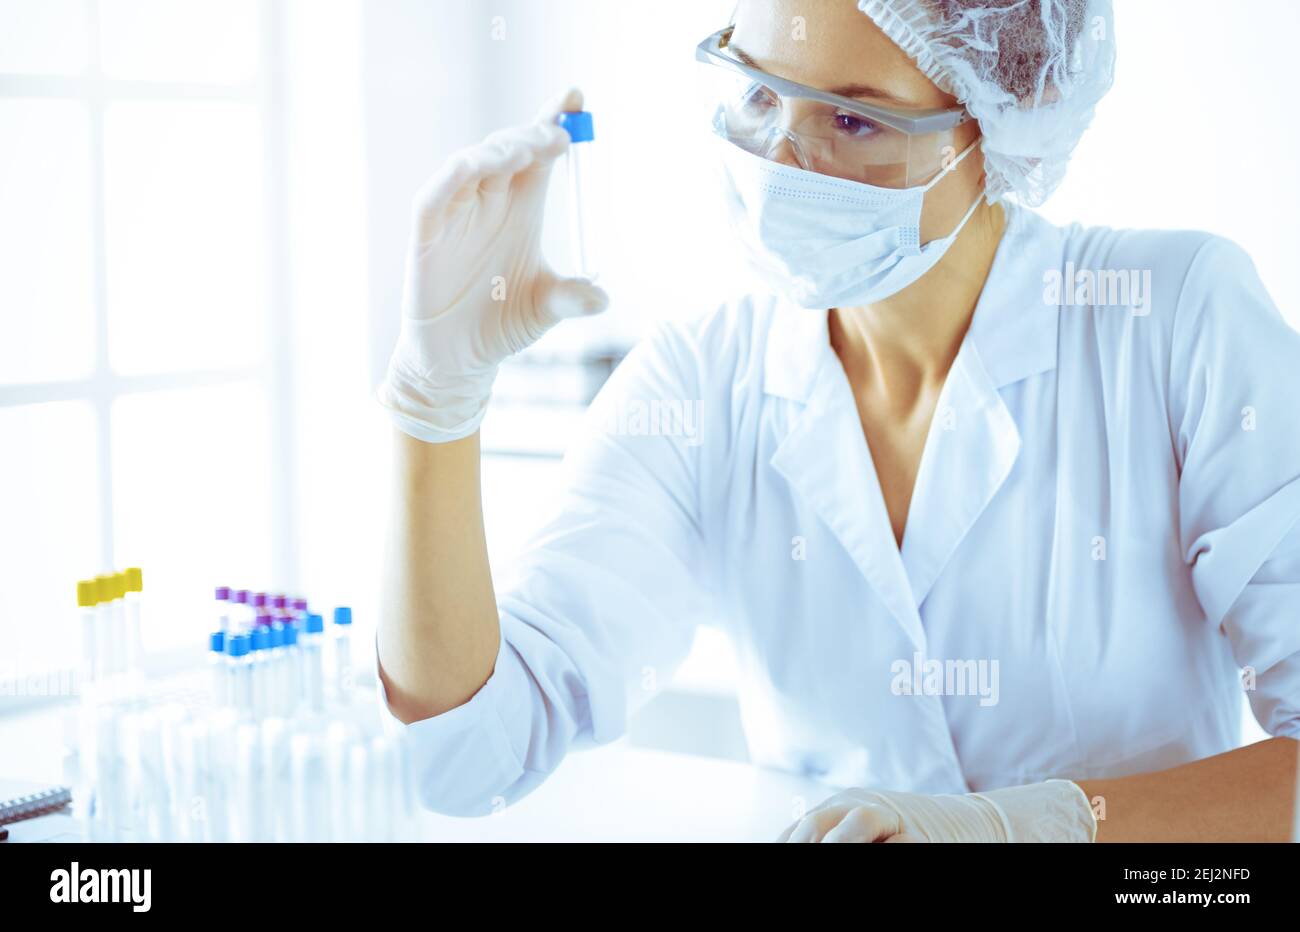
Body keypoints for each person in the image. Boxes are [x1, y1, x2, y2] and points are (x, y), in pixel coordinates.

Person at [375, 0, 1300, 841]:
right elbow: (470, 759)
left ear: (997, 128)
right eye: (759, 95)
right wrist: (436, 404)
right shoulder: (700, 380)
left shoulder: (1176, 319)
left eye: (853, 119)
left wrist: (1035, 829)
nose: (778, 163)